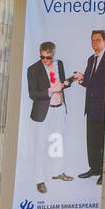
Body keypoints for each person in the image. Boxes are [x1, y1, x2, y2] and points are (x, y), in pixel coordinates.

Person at [26, 41, 73, 193]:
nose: (45, 60)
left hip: (59, 109)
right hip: (43, 113)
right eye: (42, 57)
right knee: (40, 146)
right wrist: (49, 91)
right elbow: (32, 94)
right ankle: (39, 180)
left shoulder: (59, 64)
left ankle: (57, 172)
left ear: (53, 54)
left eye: (48, 57)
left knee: (57, 143)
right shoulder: (33, 69)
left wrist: (71, 80)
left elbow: (63, 84)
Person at [71, 29, 105, 183]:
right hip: (91, 107)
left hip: (104, 107)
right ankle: (94, 168)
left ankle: (103, 172)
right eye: (93, 40)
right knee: (91, 140)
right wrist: (80, 78)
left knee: (102, 141)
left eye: (98, 40)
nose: (95, 43)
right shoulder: (90, 60)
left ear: (104, 41)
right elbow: (88, 82)